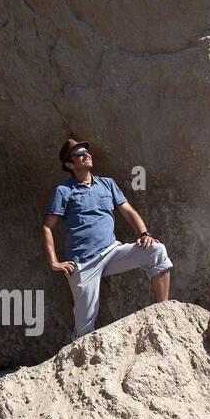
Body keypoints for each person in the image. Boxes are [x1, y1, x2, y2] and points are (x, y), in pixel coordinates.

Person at [41, 138, 173, 340]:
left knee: (157, 251)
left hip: (112, 251)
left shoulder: (107, 184)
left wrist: (144, 234)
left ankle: (163, 312)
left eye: (86, 151)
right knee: (84, 329)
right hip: (82, 262)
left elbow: (128, 211)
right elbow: (47, 227)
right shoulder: (64, 191)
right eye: (79, 154)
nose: (86, 154)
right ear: (70, 164)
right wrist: (54, 262)